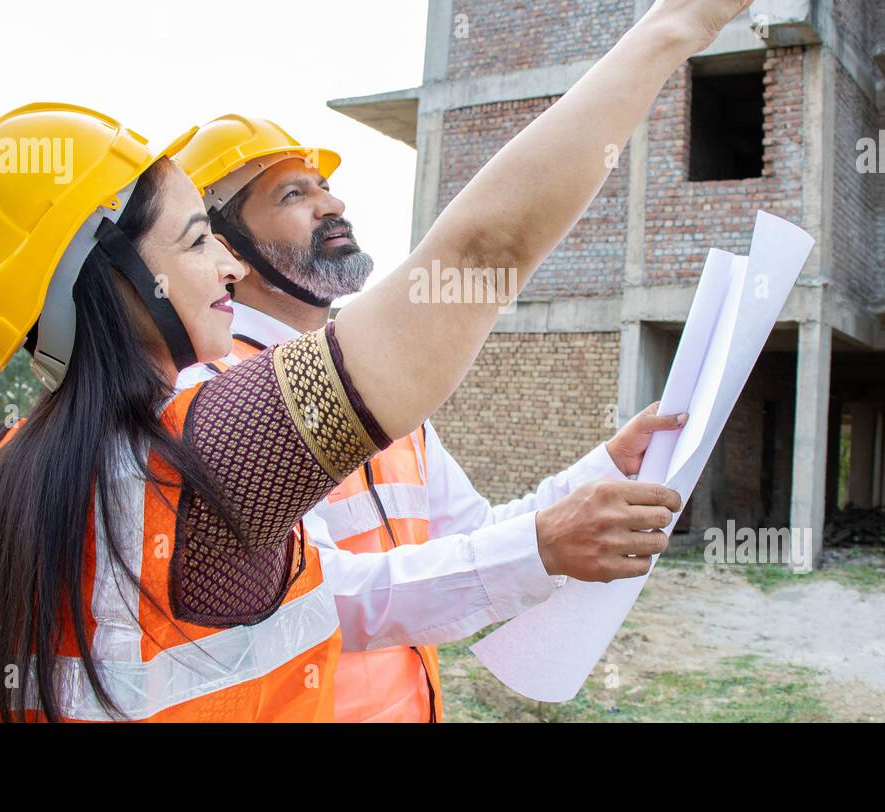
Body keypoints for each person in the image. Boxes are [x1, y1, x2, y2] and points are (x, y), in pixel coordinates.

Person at [0, 0, 756, 722]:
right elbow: (483, 251)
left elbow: (458, 538)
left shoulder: (14, 467)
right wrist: (674, 23)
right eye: (197, 240)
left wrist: (589, 483)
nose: (225, 269)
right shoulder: (202, 452)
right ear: (107, 285)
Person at [172, 115, 688, 722]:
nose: (332, 204)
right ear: (226, 247)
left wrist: (605, 468)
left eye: (323, 186)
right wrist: (540, 548)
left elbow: (471, 533)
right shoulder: (210, 393)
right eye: (293, 194)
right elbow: (316, 594)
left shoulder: (378, 387)